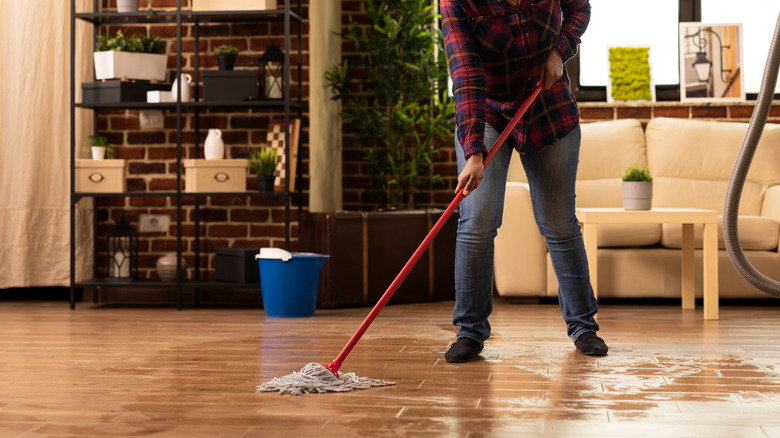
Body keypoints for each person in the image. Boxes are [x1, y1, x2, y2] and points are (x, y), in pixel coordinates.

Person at [440, 0, 608, 362]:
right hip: (488, 113)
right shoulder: (457, 2)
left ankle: (583, 327)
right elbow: (466, 73)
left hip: (548, 107)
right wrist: (473, 151)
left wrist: (560, 50)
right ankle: (470, 331)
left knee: (558, 223)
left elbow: (580, 9)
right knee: (478, 220)